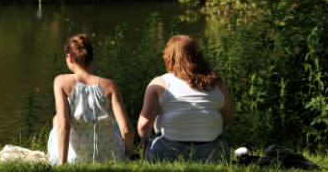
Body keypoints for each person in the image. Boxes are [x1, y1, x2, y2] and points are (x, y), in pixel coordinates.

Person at [137, 35, 234, 163]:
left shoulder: (160, 83)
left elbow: (144, 126)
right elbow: (228, 117)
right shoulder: (217, 83)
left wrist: (145, 147)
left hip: (167, 152)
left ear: (169, 59)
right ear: (198, 56)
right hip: (213, 153)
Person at [47, 34, 133, 165]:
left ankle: (63, 159)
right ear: (91, 58)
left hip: (76, 158)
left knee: (57, 119)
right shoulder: (110, 85)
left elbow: (64, 126)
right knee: (113, 123)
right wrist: (130, 152)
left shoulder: (61, 82)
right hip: (111, 155)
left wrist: (63, 163)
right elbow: (126, 129)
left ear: (70, 58)